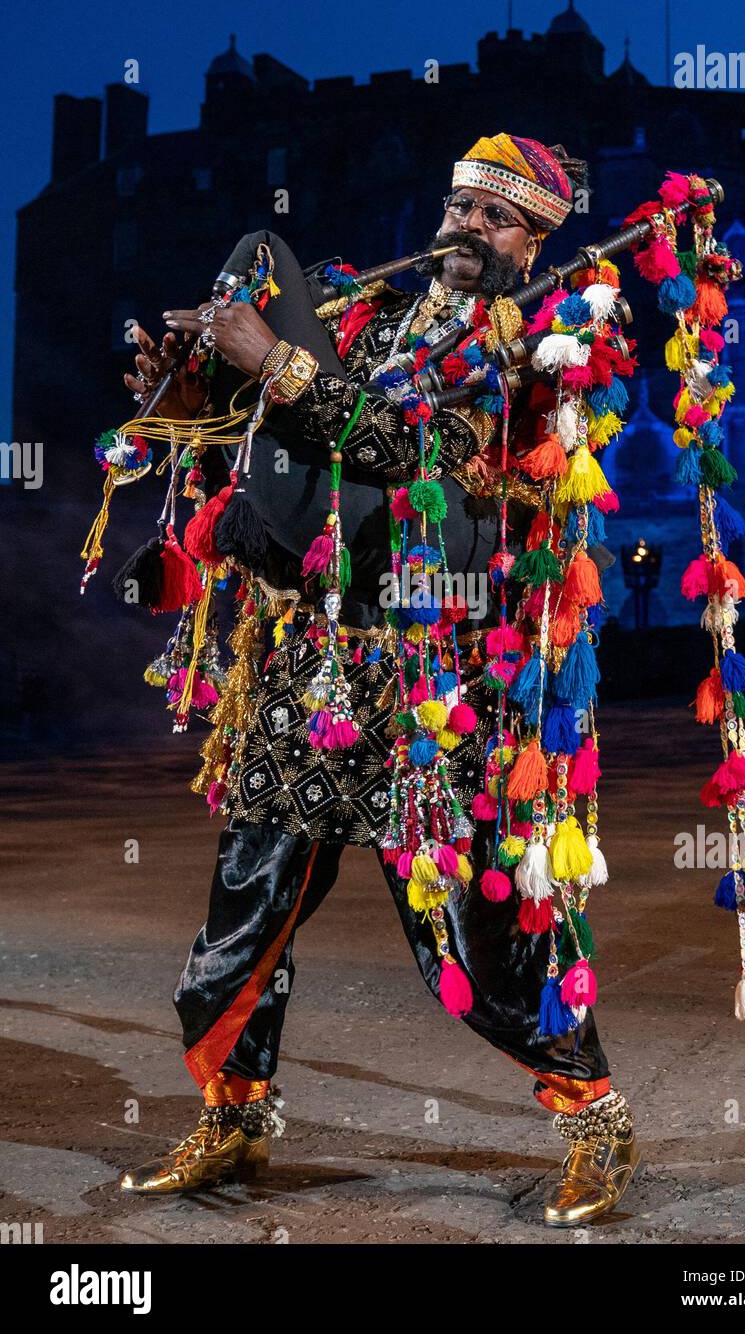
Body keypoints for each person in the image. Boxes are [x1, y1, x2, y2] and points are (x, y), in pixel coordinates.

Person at [117, 133, 642, 1226]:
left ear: (536, 238)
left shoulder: (531, 346)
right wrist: (191, 396)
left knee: (473, 930)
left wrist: (273, 358)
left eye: (494, 217)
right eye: (457, 204)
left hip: (432, 673)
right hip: (307, 659)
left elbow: (404, 453)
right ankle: (235, 1112)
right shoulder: (369, 311)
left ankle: (594, 1116)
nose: (464, 228)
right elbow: (283, 448)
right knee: (242, 913)